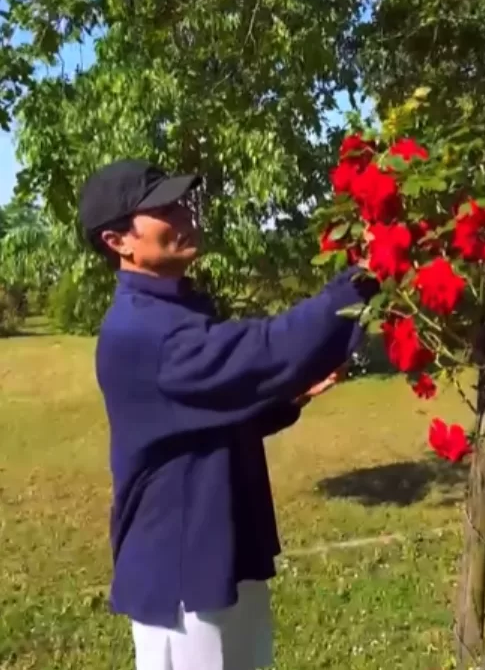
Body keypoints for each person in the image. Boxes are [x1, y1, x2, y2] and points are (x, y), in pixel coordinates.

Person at [81, 159, 379, 669]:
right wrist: (364, 277)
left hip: (219, 551)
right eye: (163, 210)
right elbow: (264, 348)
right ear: (118, 241)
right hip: (184, 575)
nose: (183, 215)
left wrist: (290, 397)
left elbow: (208, 410)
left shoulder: (175, 310)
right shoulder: (142, 331)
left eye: (180, 202)